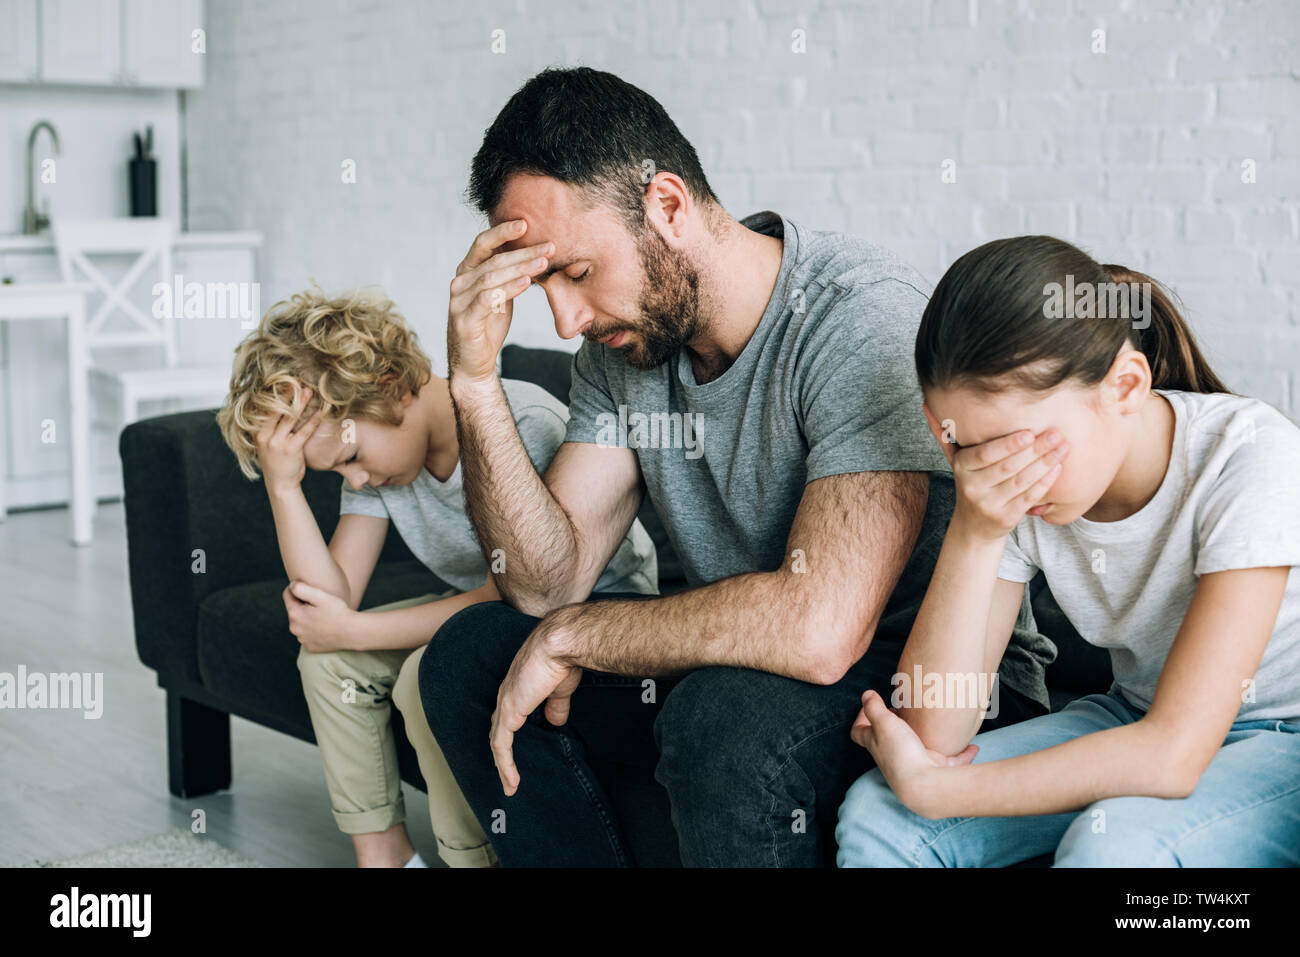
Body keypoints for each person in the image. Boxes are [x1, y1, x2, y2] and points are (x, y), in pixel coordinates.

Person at [418, 66, 1055, 867]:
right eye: (542, 285)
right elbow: (546, 584)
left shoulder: (856, 317)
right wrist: (473, 383)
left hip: (929, 682)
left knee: (721, 721)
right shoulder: (623, 352)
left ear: (669, 207)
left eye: (576, 273)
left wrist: (577, 635)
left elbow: (823, 630)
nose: (566, 318)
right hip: (748, 657)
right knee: (470, 655)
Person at [836, 235, 1300, 867]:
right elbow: (932, 733)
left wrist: (944, 789)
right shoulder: (1009, 495)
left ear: (1126, 387)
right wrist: (975, 529)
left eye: (1015, 446)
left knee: (1114, 852)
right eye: (966, 450)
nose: (996, 476)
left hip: (1279, 738)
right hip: (1135, 717)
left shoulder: (1249, 457)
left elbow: (1173, 754)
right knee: (879, 816)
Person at [216, 285, 656, 867]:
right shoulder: (385, 471)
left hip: (586, 611)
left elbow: (527, 596)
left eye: (349, 459)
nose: (355, 481)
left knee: (426, 675)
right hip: (481, 616)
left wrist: (353, 632)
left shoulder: (519, 425)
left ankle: (472, 859)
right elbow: (326, 601)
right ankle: (388, 859)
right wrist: (283, 485)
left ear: (392, 388)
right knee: (326, 663)